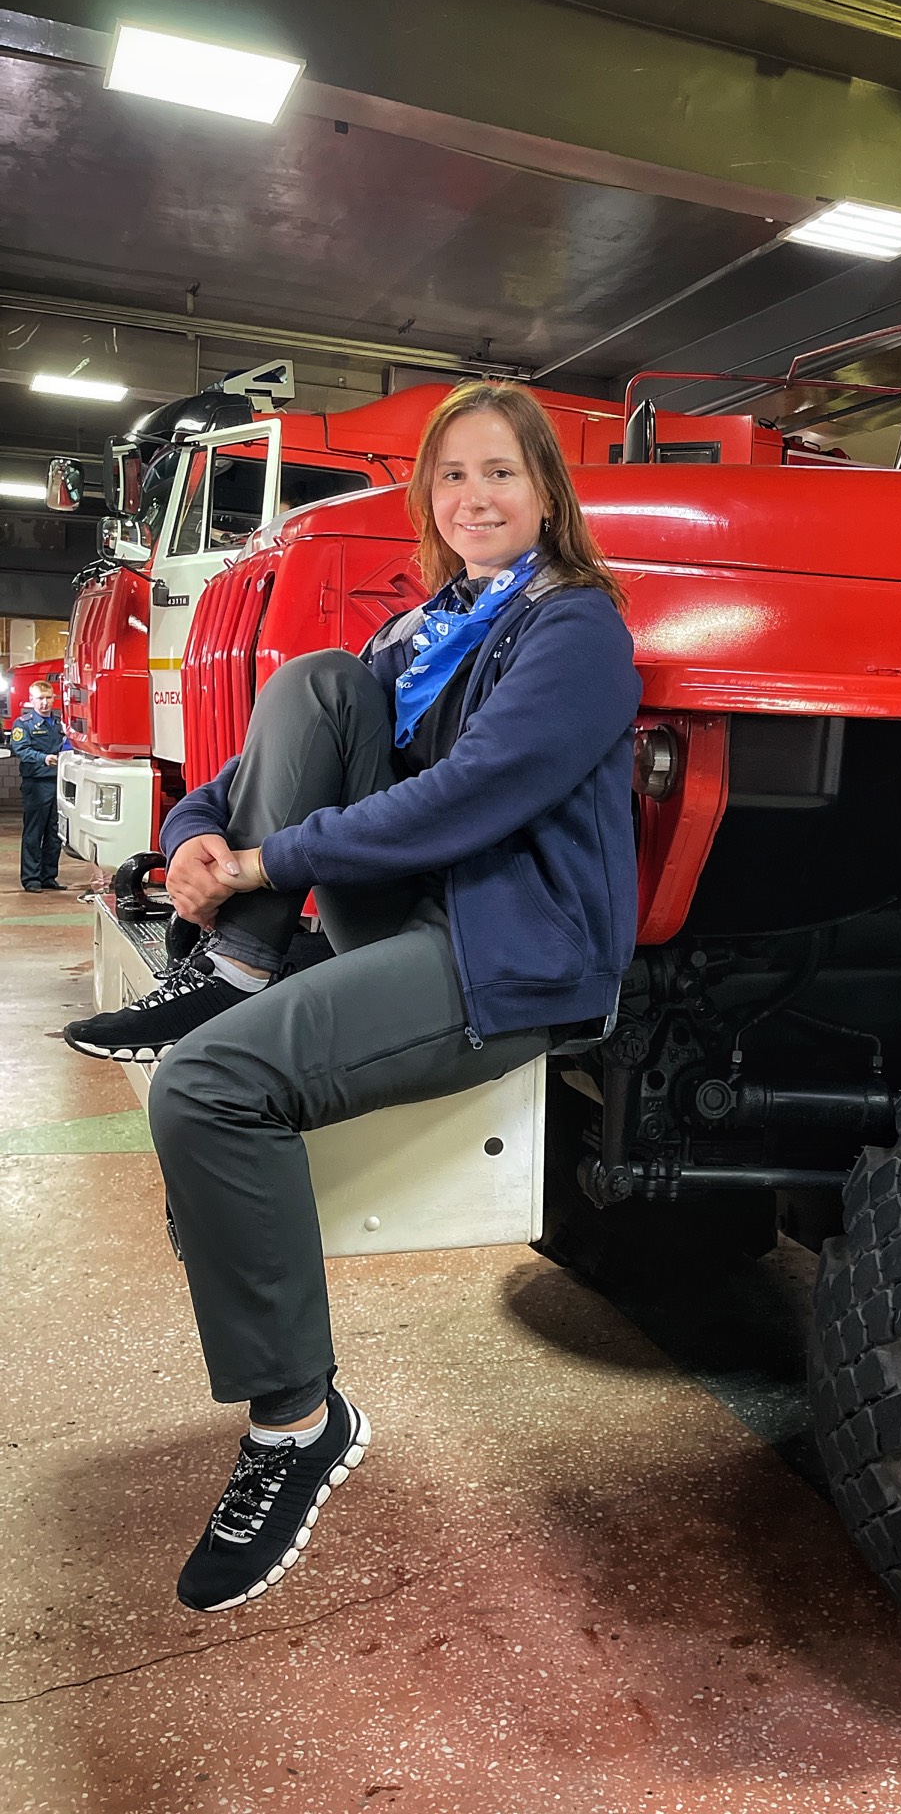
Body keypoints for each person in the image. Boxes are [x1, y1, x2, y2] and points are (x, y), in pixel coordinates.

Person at [63, 384, 641, 1613]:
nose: (474, 498)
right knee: (319, 679)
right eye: (452, 478)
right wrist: (195, 838)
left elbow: (472, 797)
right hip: (410, 917)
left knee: (210, 1090)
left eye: (500, 474)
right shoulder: (421, 630)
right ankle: (228, 966)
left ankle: (298, 1425)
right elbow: (243, 769)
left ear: (547, 489)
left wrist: (269, 863)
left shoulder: (577, 627)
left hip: (511, 949)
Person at [11, 680, 67, 892]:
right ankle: (31, 879)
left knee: (55, 833)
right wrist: (44, 758)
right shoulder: (23, 724)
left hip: (59, 784)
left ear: (53, 698)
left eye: (48, 698)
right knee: (34, 833)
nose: (44, 703)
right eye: (40, 699)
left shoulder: (60, 722)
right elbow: (21, 750)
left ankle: (48, 876)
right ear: (31, 700)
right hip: (36, 784)